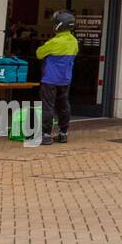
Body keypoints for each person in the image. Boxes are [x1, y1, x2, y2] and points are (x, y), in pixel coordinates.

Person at [35, 10, 78, 146]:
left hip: (50, 79)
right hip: (65, 79)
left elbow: (39, 53)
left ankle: (46, 135)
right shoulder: (74, 42)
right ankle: (63, 133)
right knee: (64, 105)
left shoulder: (55, 42)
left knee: (48, 106)